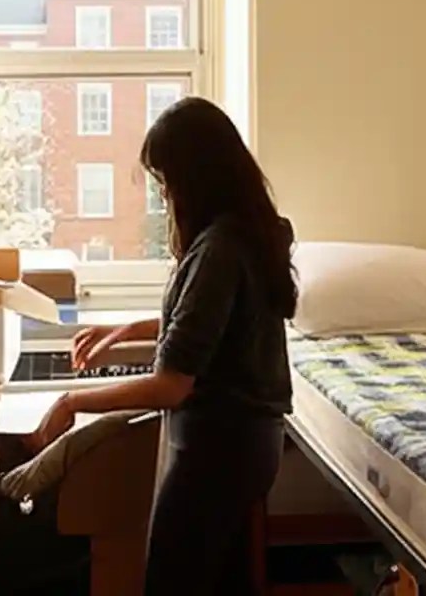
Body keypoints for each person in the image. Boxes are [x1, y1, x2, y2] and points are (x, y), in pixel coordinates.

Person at [26, 96, 297, 596]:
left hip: (218, 451)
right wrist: (128, 331)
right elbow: (214, 322)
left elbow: (172, 385)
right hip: (251, 446)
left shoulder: (218, 249)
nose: (165, 193)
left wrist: (72, 401)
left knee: (170, 583)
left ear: (195, 176)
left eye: (167, 180)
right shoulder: (247, 234)